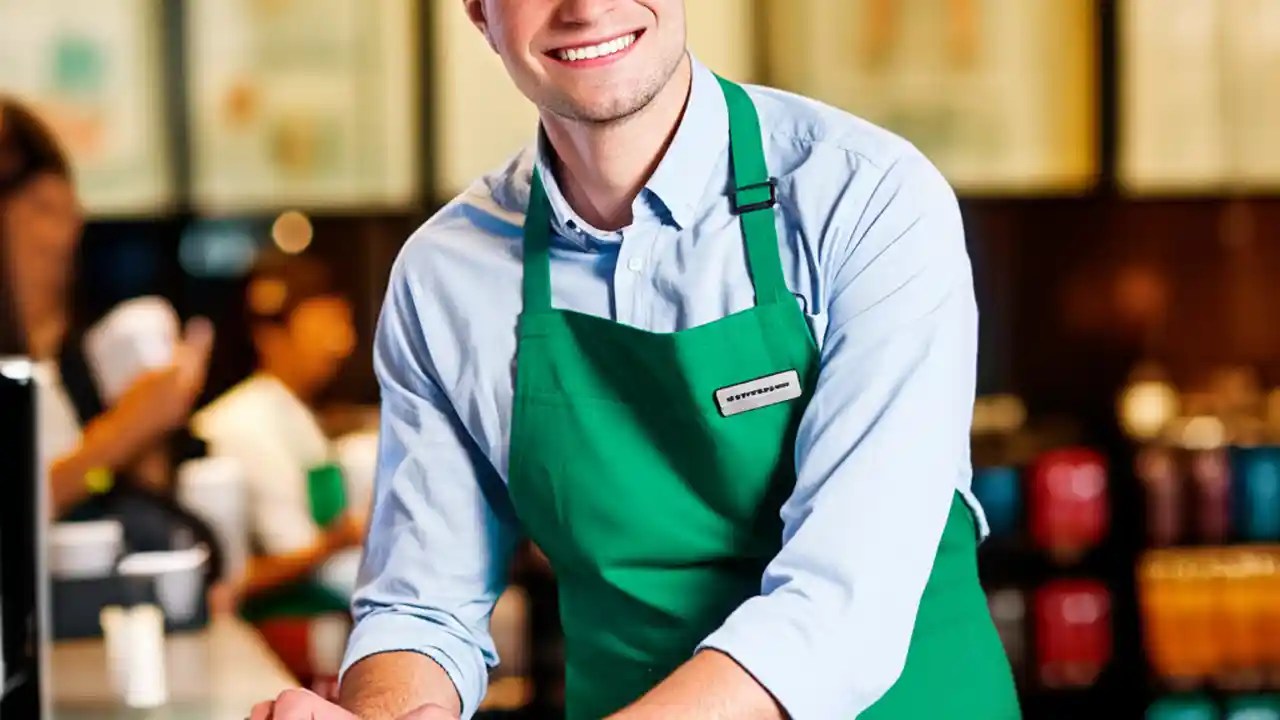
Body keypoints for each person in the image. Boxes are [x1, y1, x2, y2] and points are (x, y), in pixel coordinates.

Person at [252, 1, 1019, 718]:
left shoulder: (866, 197)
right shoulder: (447, 278)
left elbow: (845, 601)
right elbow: (421, 607)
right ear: (478, 8)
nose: (585, 4)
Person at [0, 96, 222, 569]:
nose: (65, 233)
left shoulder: (65, 366)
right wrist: (128, 428)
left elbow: (122, 497)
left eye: (67, 209)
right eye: (42, 207)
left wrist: (151, 426)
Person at [192, 250, 366, 661]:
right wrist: (341, 539)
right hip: (268, 644)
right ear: (270, 335)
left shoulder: (298, 413)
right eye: (324, 326)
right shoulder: (234, 424)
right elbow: (236, 573)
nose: (342, 344)